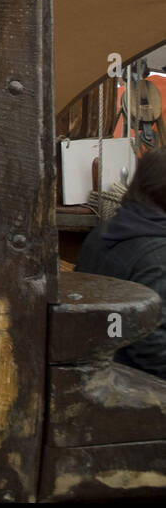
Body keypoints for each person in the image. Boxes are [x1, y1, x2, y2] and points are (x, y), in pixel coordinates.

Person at [78, 148, 166, 377]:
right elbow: (149, 344)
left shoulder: (104, 231)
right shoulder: (157, 255)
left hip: (91, 366)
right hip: (130, 382)